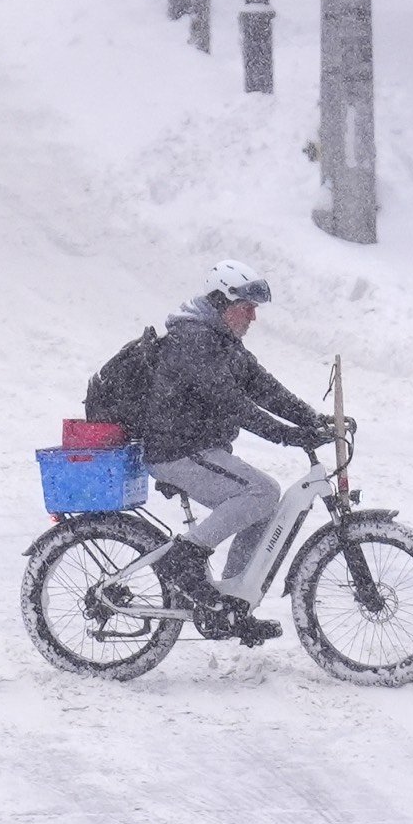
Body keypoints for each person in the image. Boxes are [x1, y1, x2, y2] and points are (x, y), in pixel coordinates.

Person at [136, 263, 332, 644]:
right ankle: (184, 558)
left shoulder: (221, 340)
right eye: (247, 307)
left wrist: (312, 418)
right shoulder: (192, 340)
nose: (254, 317)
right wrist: (287, 436)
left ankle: (228, 603)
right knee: (260, 492)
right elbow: (232, 404)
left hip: (198, 449)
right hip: (178, 451)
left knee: (264, 507)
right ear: (220, 302)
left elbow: (263, 387)